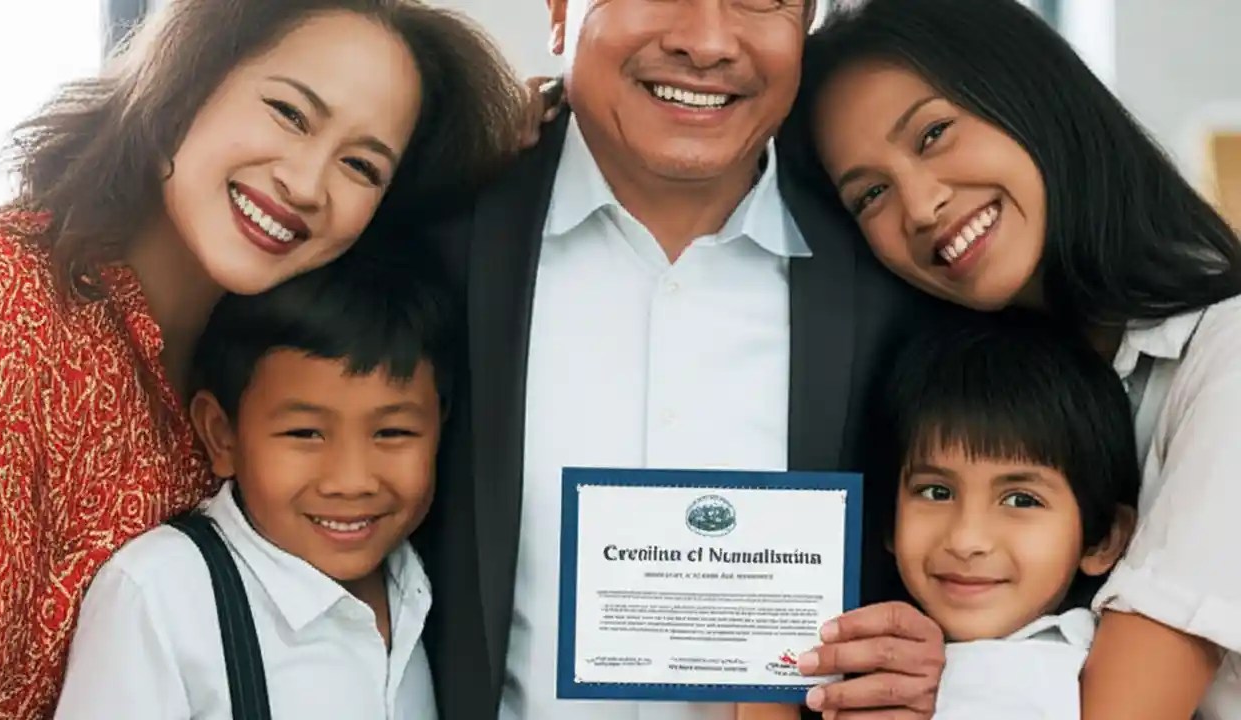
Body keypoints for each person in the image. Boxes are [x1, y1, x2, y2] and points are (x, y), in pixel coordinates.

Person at [0, 0, 522, 716]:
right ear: (187, 82)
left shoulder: (273, 354)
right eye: (290, 113)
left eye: (361, 164)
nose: (307, 183)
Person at [399, 1, 955, 718]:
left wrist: (940, 667)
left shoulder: (899, 282)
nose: (706, 42)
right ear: (562, 13)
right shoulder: (426, 234)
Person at [800, 0, 1241, 717]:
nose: (919, 205)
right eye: (870, 193)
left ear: (1033, 96)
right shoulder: (978, 378)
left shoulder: (1227, 358)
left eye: (934, 133)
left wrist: (948, 682)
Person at [54, 247, 450, 719]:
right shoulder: (163, 596)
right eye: (305, 433)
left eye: (393, 433)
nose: (352, 482)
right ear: (222, 437)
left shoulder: (426, 584)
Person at [876, 317, 1139, 719]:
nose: (966, 539)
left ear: (1103, 538)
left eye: (1020, 500)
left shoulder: (1037, 675)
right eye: (936, 492)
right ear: (889, 517)